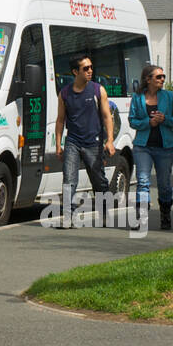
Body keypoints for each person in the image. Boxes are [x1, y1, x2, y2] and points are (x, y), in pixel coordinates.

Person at [54, 54, 114, 228]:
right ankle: (68, 218)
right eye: (85, 68)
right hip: (73, 141)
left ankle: (104, 212)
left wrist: (109, 140)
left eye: (91, 67)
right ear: (75, 72)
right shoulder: (64, 93)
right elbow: (60, 120)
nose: (90, 71)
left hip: (93, 142)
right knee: (69, 180)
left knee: (98, 181)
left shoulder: (98, 90)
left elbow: (106, 116)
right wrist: (58, 145)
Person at [129, 63, 173, 229]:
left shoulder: (169, 96)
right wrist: (149, 122)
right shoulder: (137, 98)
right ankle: (141, 218)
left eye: (163, 76)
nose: (162, 79)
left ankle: (165, 215)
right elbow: (132, 121)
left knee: (164, 184)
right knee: (143, 181)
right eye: (158, 76)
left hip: (164, 147)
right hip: (142, 146)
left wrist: (164, 119)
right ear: (148, 79)